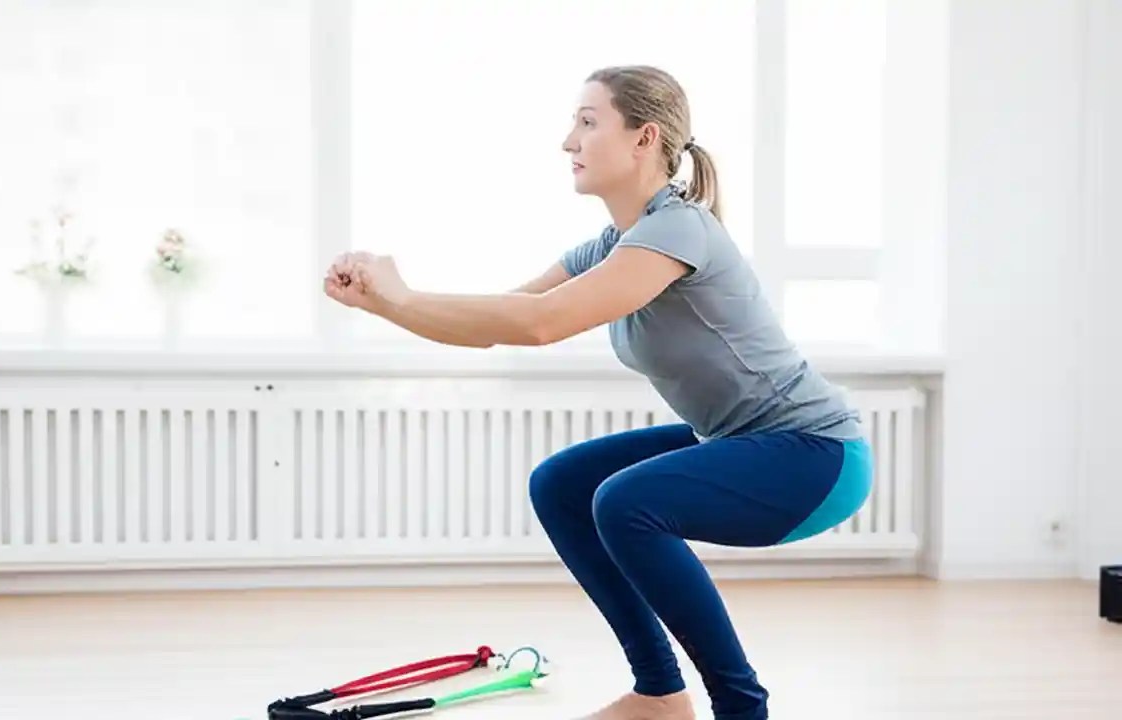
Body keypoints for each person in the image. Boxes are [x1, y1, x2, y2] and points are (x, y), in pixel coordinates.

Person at [323, 65, 872, 720]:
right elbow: (501, 319)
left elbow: (540, 324)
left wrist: (402, 296)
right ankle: (659, 695)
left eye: (588, 122)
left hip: (814, 455)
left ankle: (741, 706)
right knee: (563, 484)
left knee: (625, 501)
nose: (569, 142)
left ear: (643, 139)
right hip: (746, 441)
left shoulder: (680, 229)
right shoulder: (612, 246)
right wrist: (388, 305)